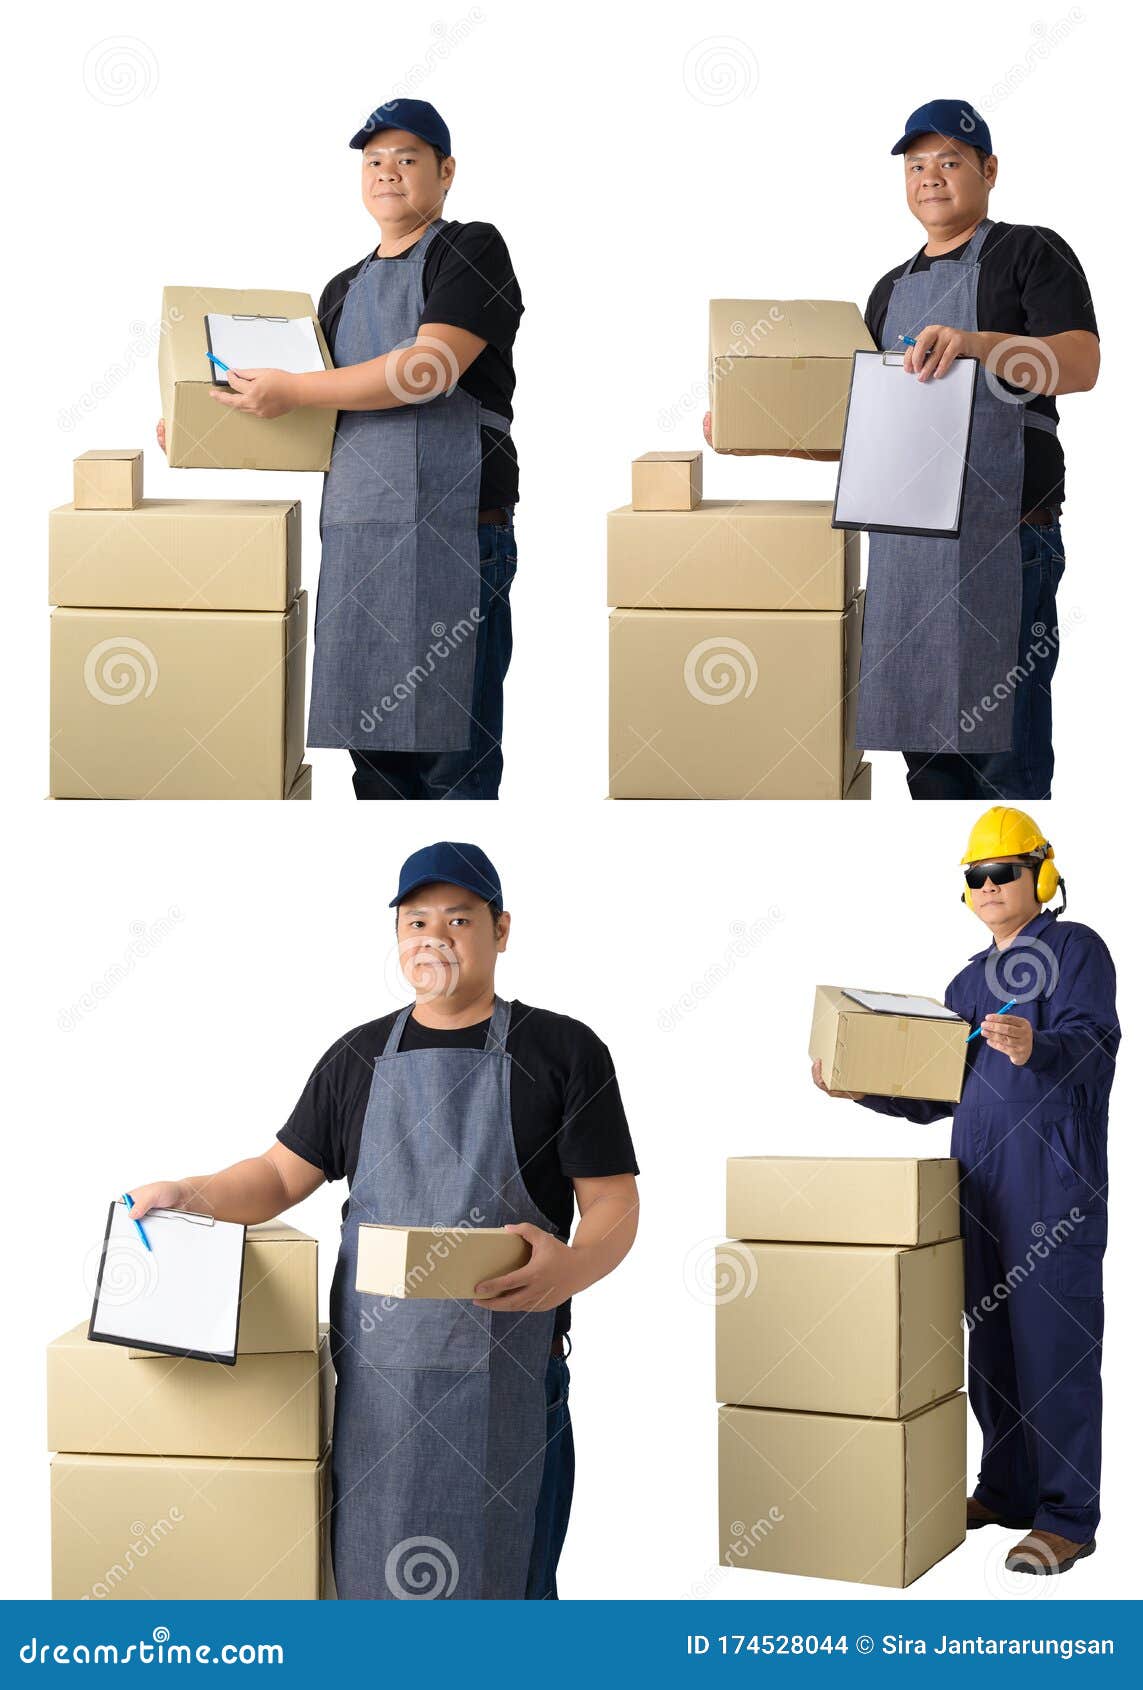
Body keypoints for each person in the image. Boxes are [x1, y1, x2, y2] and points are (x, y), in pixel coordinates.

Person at [123, 842, 640, 1599]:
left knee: (509, 1609)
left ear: (501, 930)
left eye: (459, 919)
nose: (435, 936)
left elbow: (612, 1203)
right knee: (376, 1608)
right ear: (397, 938)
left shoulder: (563, 1050)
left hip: (511, 1381)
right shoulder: (357, 1057)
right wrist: (187, 1193)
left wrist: (574, 1267)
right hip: (381, 1398)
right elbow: (274, 1177)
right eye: (416, 921)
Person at [159, 99, 523, 800]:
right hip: (360, 545)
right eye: (373, 160)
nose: (388, 171)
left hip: (458, 537)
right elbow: (312, 412)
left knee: (455, 762)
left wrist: (294, 387)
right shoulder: (340, 289)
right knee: (375, 762)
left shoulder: (470, 249)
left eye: (408, 158)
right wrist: (204, 428)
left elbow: (428, 371)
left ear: (445, 172)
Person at [813, 807, 1118, 1575]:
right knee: (989, 1348)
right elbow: (932, 1090)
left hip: (1051, 1189)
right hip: (977, 1186)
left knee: (1053, 1348)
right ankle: (1006, 1489)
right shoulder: (964, 982)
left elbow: (1093, 1048)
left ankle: (1065, 1516)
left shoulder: (1076, 950)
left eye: (1002, 872)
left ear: (1040, 875)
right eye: (974, 877)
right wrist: (859, 1087)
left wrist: (1033, 1044)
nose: (986, 886)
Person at [857, 99, 1099, 800]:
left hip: (1004, 544)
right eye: (916, 165)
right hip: (908, 559)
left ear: (987, 170)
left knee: (1003, 765)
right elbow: (870, 431)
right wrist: (760, 436)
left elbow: (1079, 364)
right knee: (928, 767)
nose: (930, 176)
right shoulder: (887, 292)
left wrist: (975, 346)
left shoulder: (1029, 251)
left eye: (950, 161)